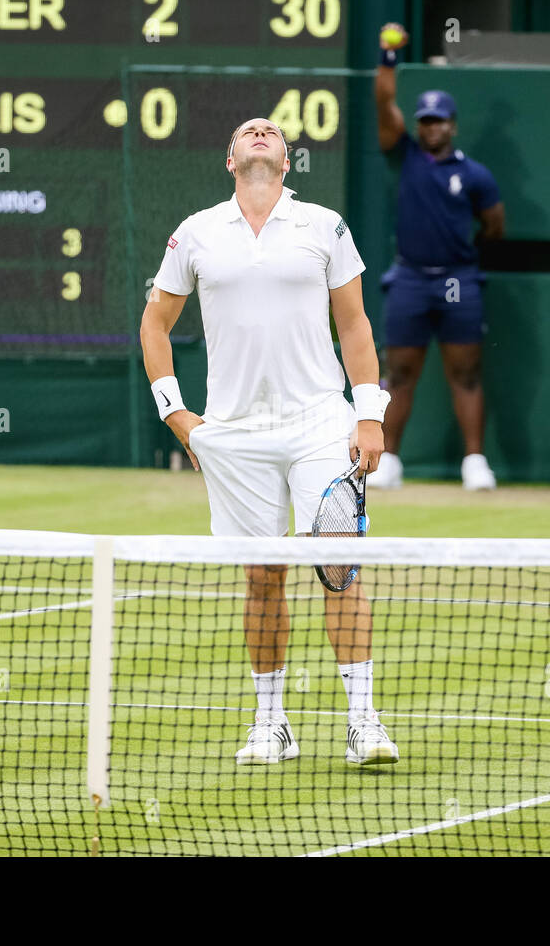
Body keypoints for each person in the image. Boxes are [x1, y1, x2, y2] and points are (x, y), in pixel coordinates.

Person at [139, 117, 400, 766]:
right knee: (262, 578)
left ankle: (363, 723)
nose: (260, 132)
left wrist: (368, 413)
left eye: (271, 131)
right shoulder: (195, 233)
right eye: (247, 131)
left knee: (338, 570)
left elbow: (355, 324)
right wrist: (177, 414)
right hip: (236, 437)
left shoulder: (325, 225)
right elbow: (156, 321)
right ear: (231, 160)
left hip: (319, 425)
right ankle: (270, 724)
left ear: (287, 161)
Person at [365, 22, 506, 491]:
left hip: (459, 280)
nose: (430, 127)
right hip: (408, 278)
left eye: (438, 120)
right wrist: (388, 57)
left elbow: (494, 226)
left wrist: (464, 257)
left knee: (465, 372)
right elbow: (385, 102)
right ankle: (388, 461)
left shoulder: (477, 175)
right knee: (399, 372)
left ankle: (474, 463)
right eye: (424, 120)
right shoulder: (403, 155)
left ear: (452, 125)